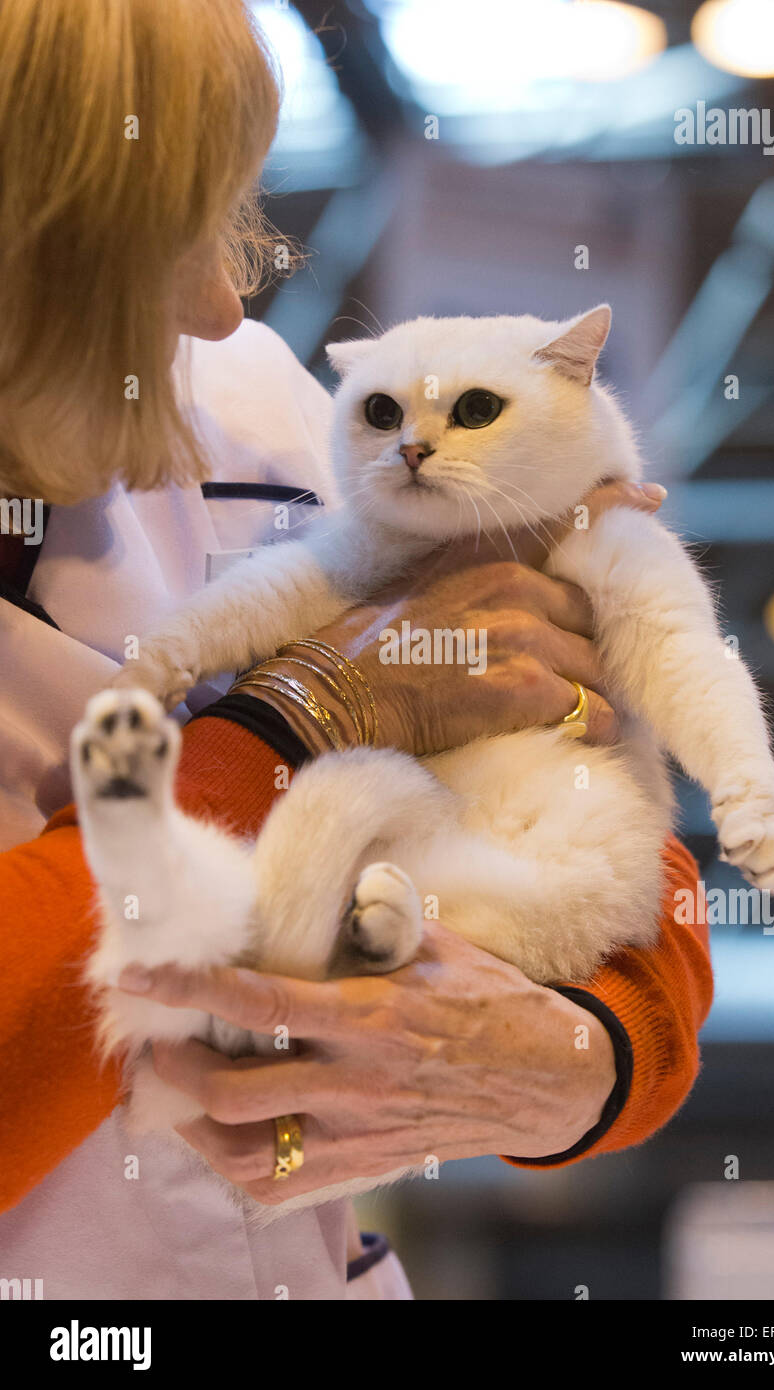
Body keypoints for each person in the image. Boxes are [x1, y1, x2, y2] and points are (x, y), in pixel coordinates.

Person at [0, 0, 712, 1299]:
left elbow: (611, 818)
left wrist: (593, 1056)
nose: (220, 307)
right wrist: (293, 723)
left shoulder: (267, 411)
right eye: (168, 235)